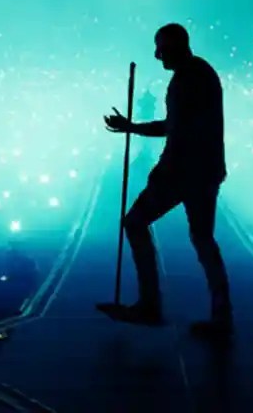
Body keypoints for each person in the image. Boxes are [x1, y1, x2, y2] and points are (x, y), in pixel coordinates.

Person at [97, 23, 233, 340]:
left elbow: (177, 129)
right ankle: (221, 313)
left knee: (136, 223)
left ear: (175, 45)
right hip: (202, 170)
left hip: (184, 171)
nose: (157, 55)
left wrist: (133, 129)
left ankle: (150, 304)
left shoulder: (190, 78)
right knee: (202, 239)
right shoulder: (197, 73)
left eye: (160, 48)